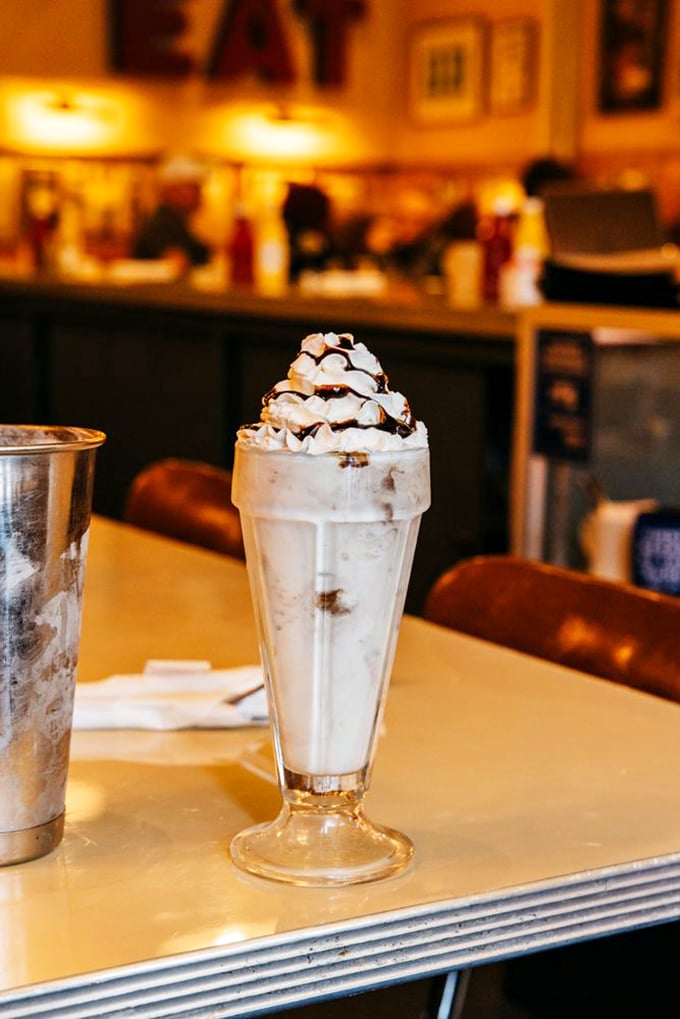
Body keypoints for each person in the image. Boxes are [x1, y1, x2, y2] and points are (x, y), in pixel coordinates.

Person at [132, 155, 211, 273]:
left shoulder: (176, 221)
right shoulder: (163, 224)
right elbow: (177, 263)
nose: (200, 196)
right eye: (195, 189)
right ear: (173, 191)